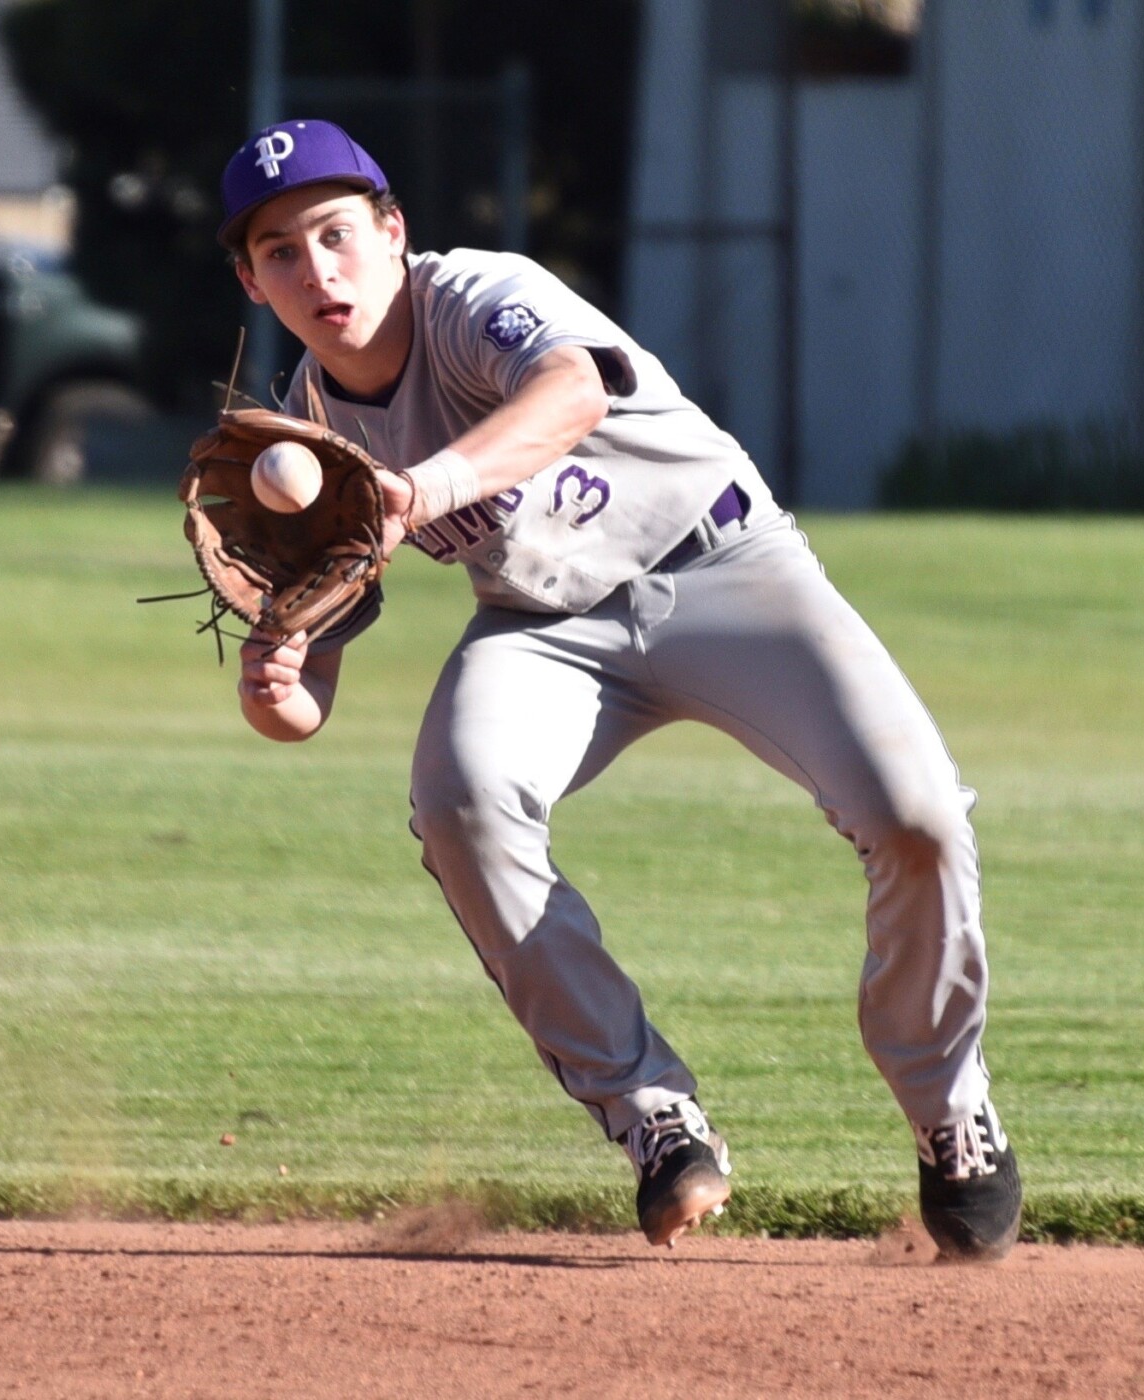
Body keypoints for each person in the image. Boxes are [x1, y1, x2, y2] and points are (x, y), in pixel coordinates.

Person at [218, 119, 1022, 1259]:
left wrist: (424, 486)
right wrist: (274, 675)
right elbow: (304, 706)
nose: (319, 271)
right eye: (283, 253)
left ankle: (950, 1114)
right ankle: (652, 1113)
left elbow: (569, 391)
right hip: (544, 625)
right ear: (252, 281)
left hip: (728, 569)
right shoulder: (307, 438)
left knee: (916, 817)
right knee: (457, 798)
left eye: (337, 233)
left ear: (393, 232)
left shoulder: (475, 295)